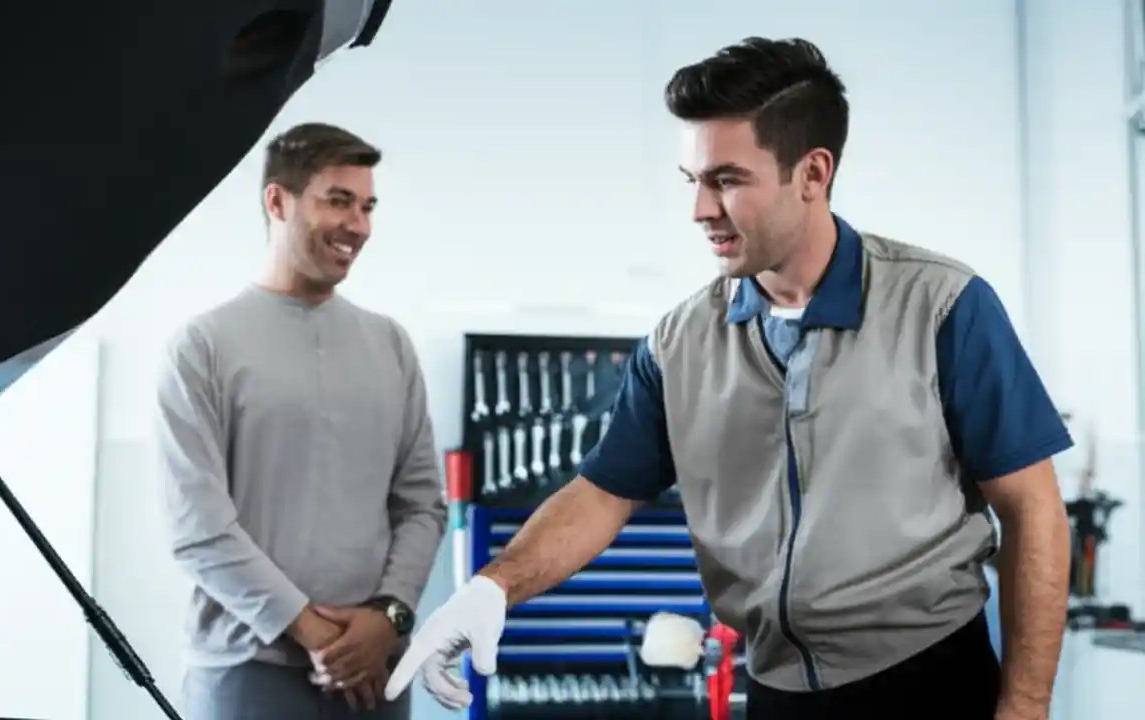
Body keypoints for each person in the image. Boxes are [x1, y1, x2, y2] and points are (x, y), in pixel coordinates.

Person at [385, 38, 1073, 719]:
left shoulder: (943, 307)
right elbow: (601, 494)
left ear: (813, 172)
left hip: (931, 685)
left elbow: (1032, 509)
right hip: (776, 692)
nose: (700, 210)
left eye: (728, 180)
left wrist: (1026, 706)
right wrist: (491, 587)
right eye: (694, 181)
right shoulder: (678, 344)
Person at [155, 122, 447, 720]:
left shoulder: (389, 343)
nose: (358, 226)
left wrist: (387, 619)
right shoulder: (203, 345)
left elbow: (421, 504)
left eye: (367, 206)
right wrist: (317, 633)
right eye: (338, 201)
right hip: (247, 673)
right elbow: (198, 530)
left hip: (376, 670)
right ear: (277, 201)